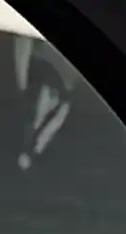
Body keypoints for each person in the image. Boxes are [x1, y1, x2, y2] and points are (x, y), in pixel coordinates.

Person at [12, 36, 79, 171]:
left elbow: (52, 124)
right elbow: (52, 125)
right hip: (56, 75)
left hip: (54, 75)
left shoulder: (31, 128)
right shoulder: (33, 135)